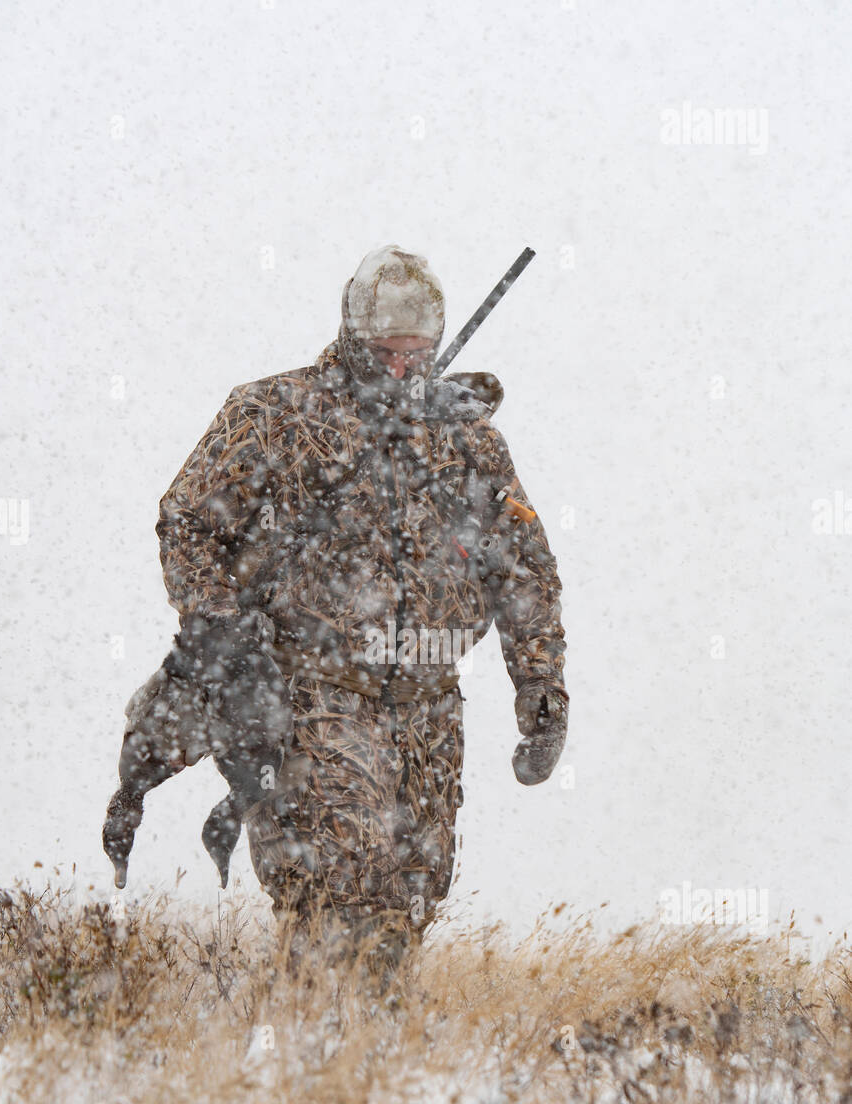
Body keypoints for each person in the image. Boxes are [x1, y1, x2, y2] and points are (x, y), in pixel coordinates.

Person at [132, 246, 568, 959]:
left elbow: (524, 569)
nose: (402, 367)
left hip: (429, 700)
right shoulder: (275, 414)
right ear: (352, 335)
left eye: (418, 352)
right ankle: (311, 1046)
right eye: (385, 352)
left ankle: (370, 1065)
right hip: (313, 694)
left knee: (412, 897)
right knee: (333, 889)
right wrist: (222, 628)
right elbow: (189, 523)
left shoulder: (467, 441)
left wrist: (543, 689)